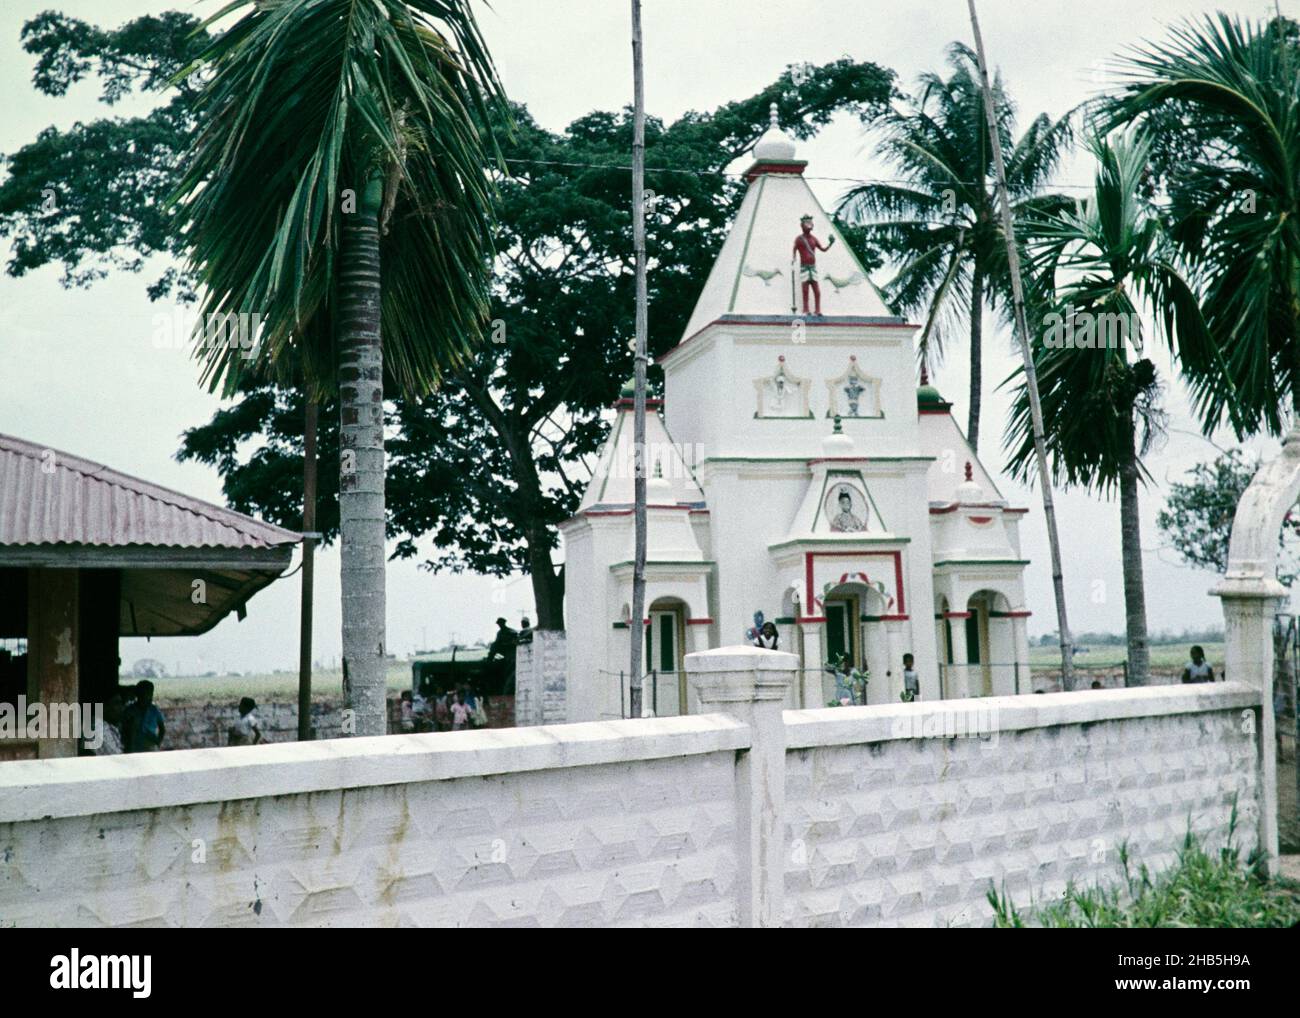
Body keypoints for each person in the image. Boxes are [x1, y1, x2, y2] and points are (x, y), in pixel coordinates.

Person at [793, 213, 834, 316]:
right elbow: (795, 248)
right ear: (802, 225)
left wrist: (830, 244)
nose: (809, 225)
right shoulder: (799, 239)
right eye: (806, 223)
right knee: (805, 289)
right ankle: (806, 309)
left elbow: (823, 249)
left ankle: (817, 309)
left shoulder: (814, 239)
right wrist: (793, 258)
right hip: (804, 267)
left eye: (810, 222)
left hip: (813, 267)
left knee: (816, 290)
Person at [123, 680, 165, 752]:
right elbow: (123, 727)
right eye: (144, 693)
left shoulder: (154, 710)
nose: (147, 696)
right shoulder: (130, 710)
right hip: (134, 745)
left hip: (150, 744)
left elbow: (162, 728)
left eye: (150, 693)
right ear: (138, 694)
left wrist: (158, 741)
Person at [488, 617, 519, 693]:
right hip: (504, 653)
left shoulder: (511, 632)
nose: (499, 625)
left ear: (503, 623)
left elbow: (516, 641)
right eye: (499, 624)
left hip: (511, 653)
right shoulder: (499, 633)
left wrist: (508, 644)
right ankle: (489, 660)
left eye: (500, 623)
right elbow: (497, 643)